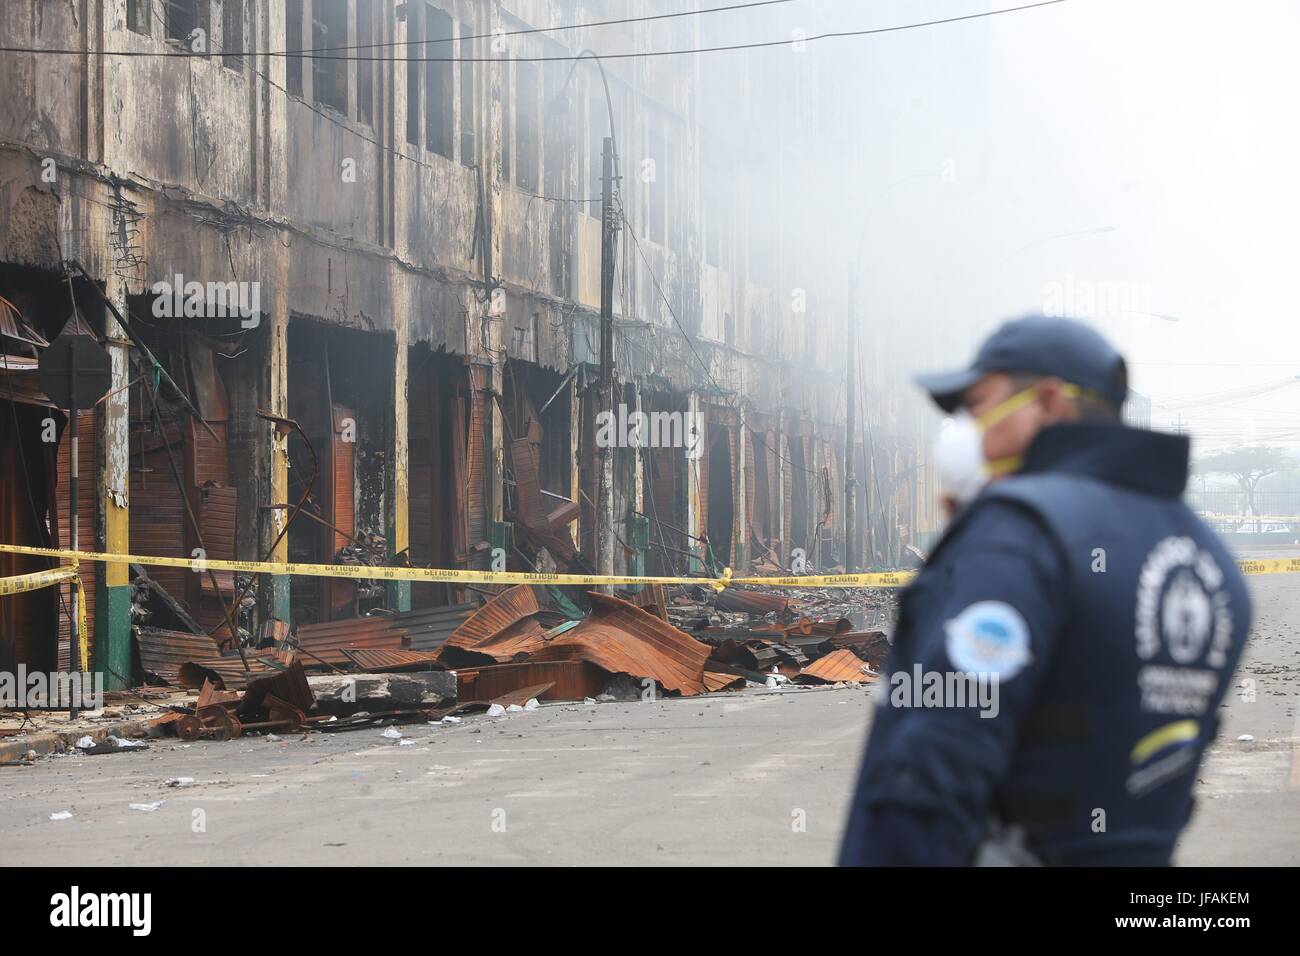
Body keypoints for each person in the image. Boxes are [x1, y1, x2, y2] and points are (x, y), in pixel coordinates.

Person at [839, 315, 1252, 866]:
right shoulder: (1208, 557)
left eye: (978, 405)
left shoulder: (1022, 531)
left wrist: (985, 543)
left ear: (1050, 402)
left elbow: (936, 761)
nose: (969, 429)